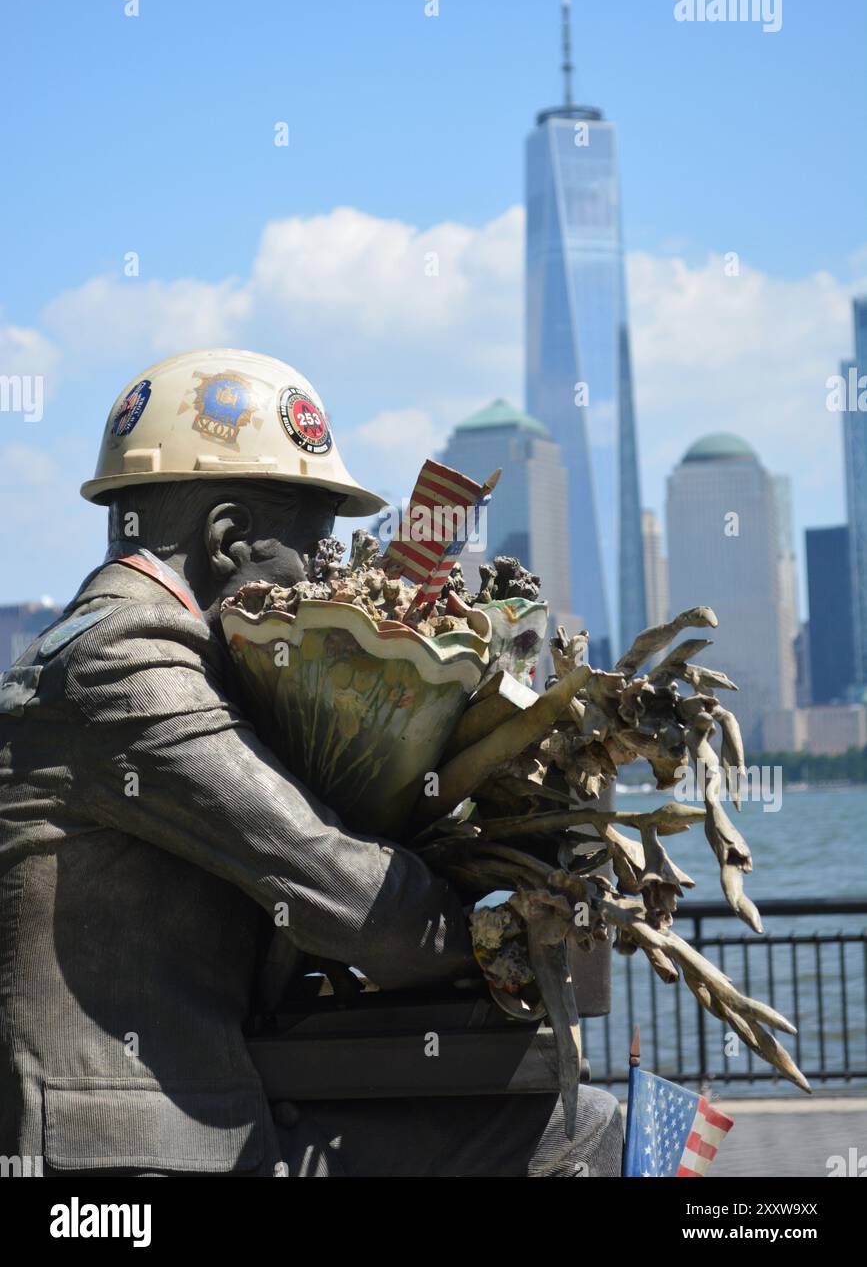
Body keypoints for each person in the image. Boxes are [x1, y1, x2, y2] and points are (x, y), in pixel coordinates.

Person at [0, 347, 623, 1177]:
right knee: (572, 1130)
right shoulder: (126, 658)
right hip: (129, 1158)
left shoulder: (125, 650)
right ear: (227, 539)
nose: (317, 579)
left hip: (204, 1117)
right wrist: (497, 925)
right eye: (310, 550)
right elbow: (329, 884)